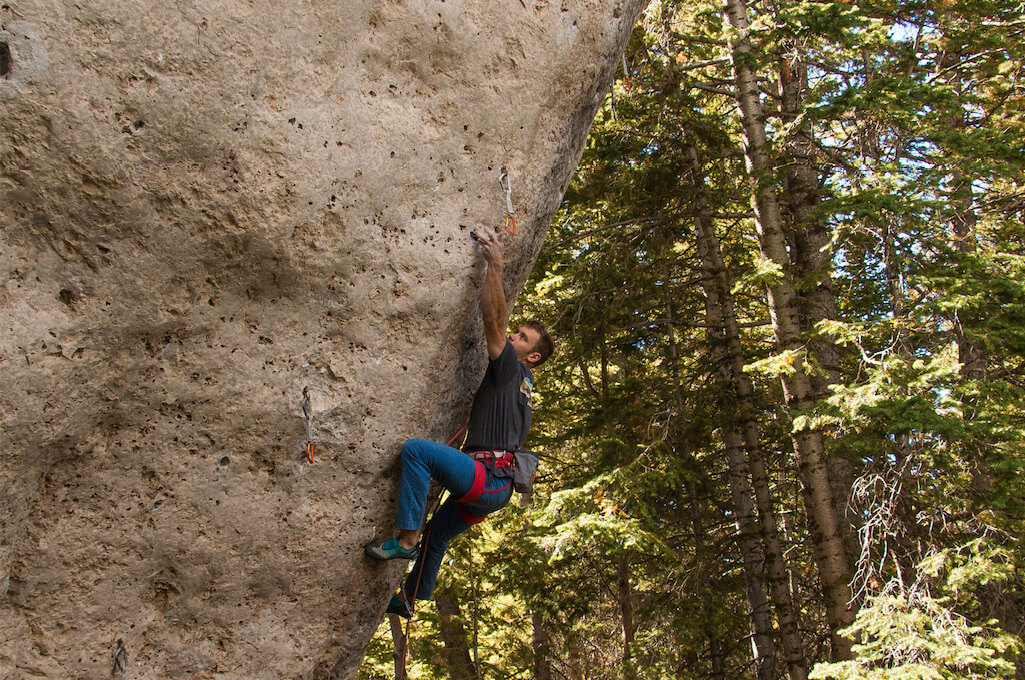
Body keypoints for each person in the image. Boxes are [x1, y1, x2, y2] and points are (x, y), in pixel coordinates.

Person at [364, 226, 554, 618]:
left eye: (522, 338)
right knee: (440, 534)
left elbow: (493, 321)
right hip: (494, 489)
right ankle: (411, 599)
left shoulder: (510, 371)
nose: (513, 337)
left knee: (417, 451)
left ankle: (406, 537)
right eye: (517, 334)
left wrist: (495, 265)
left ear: (531, 357)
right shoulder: (524, 387)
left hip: (486, 479)